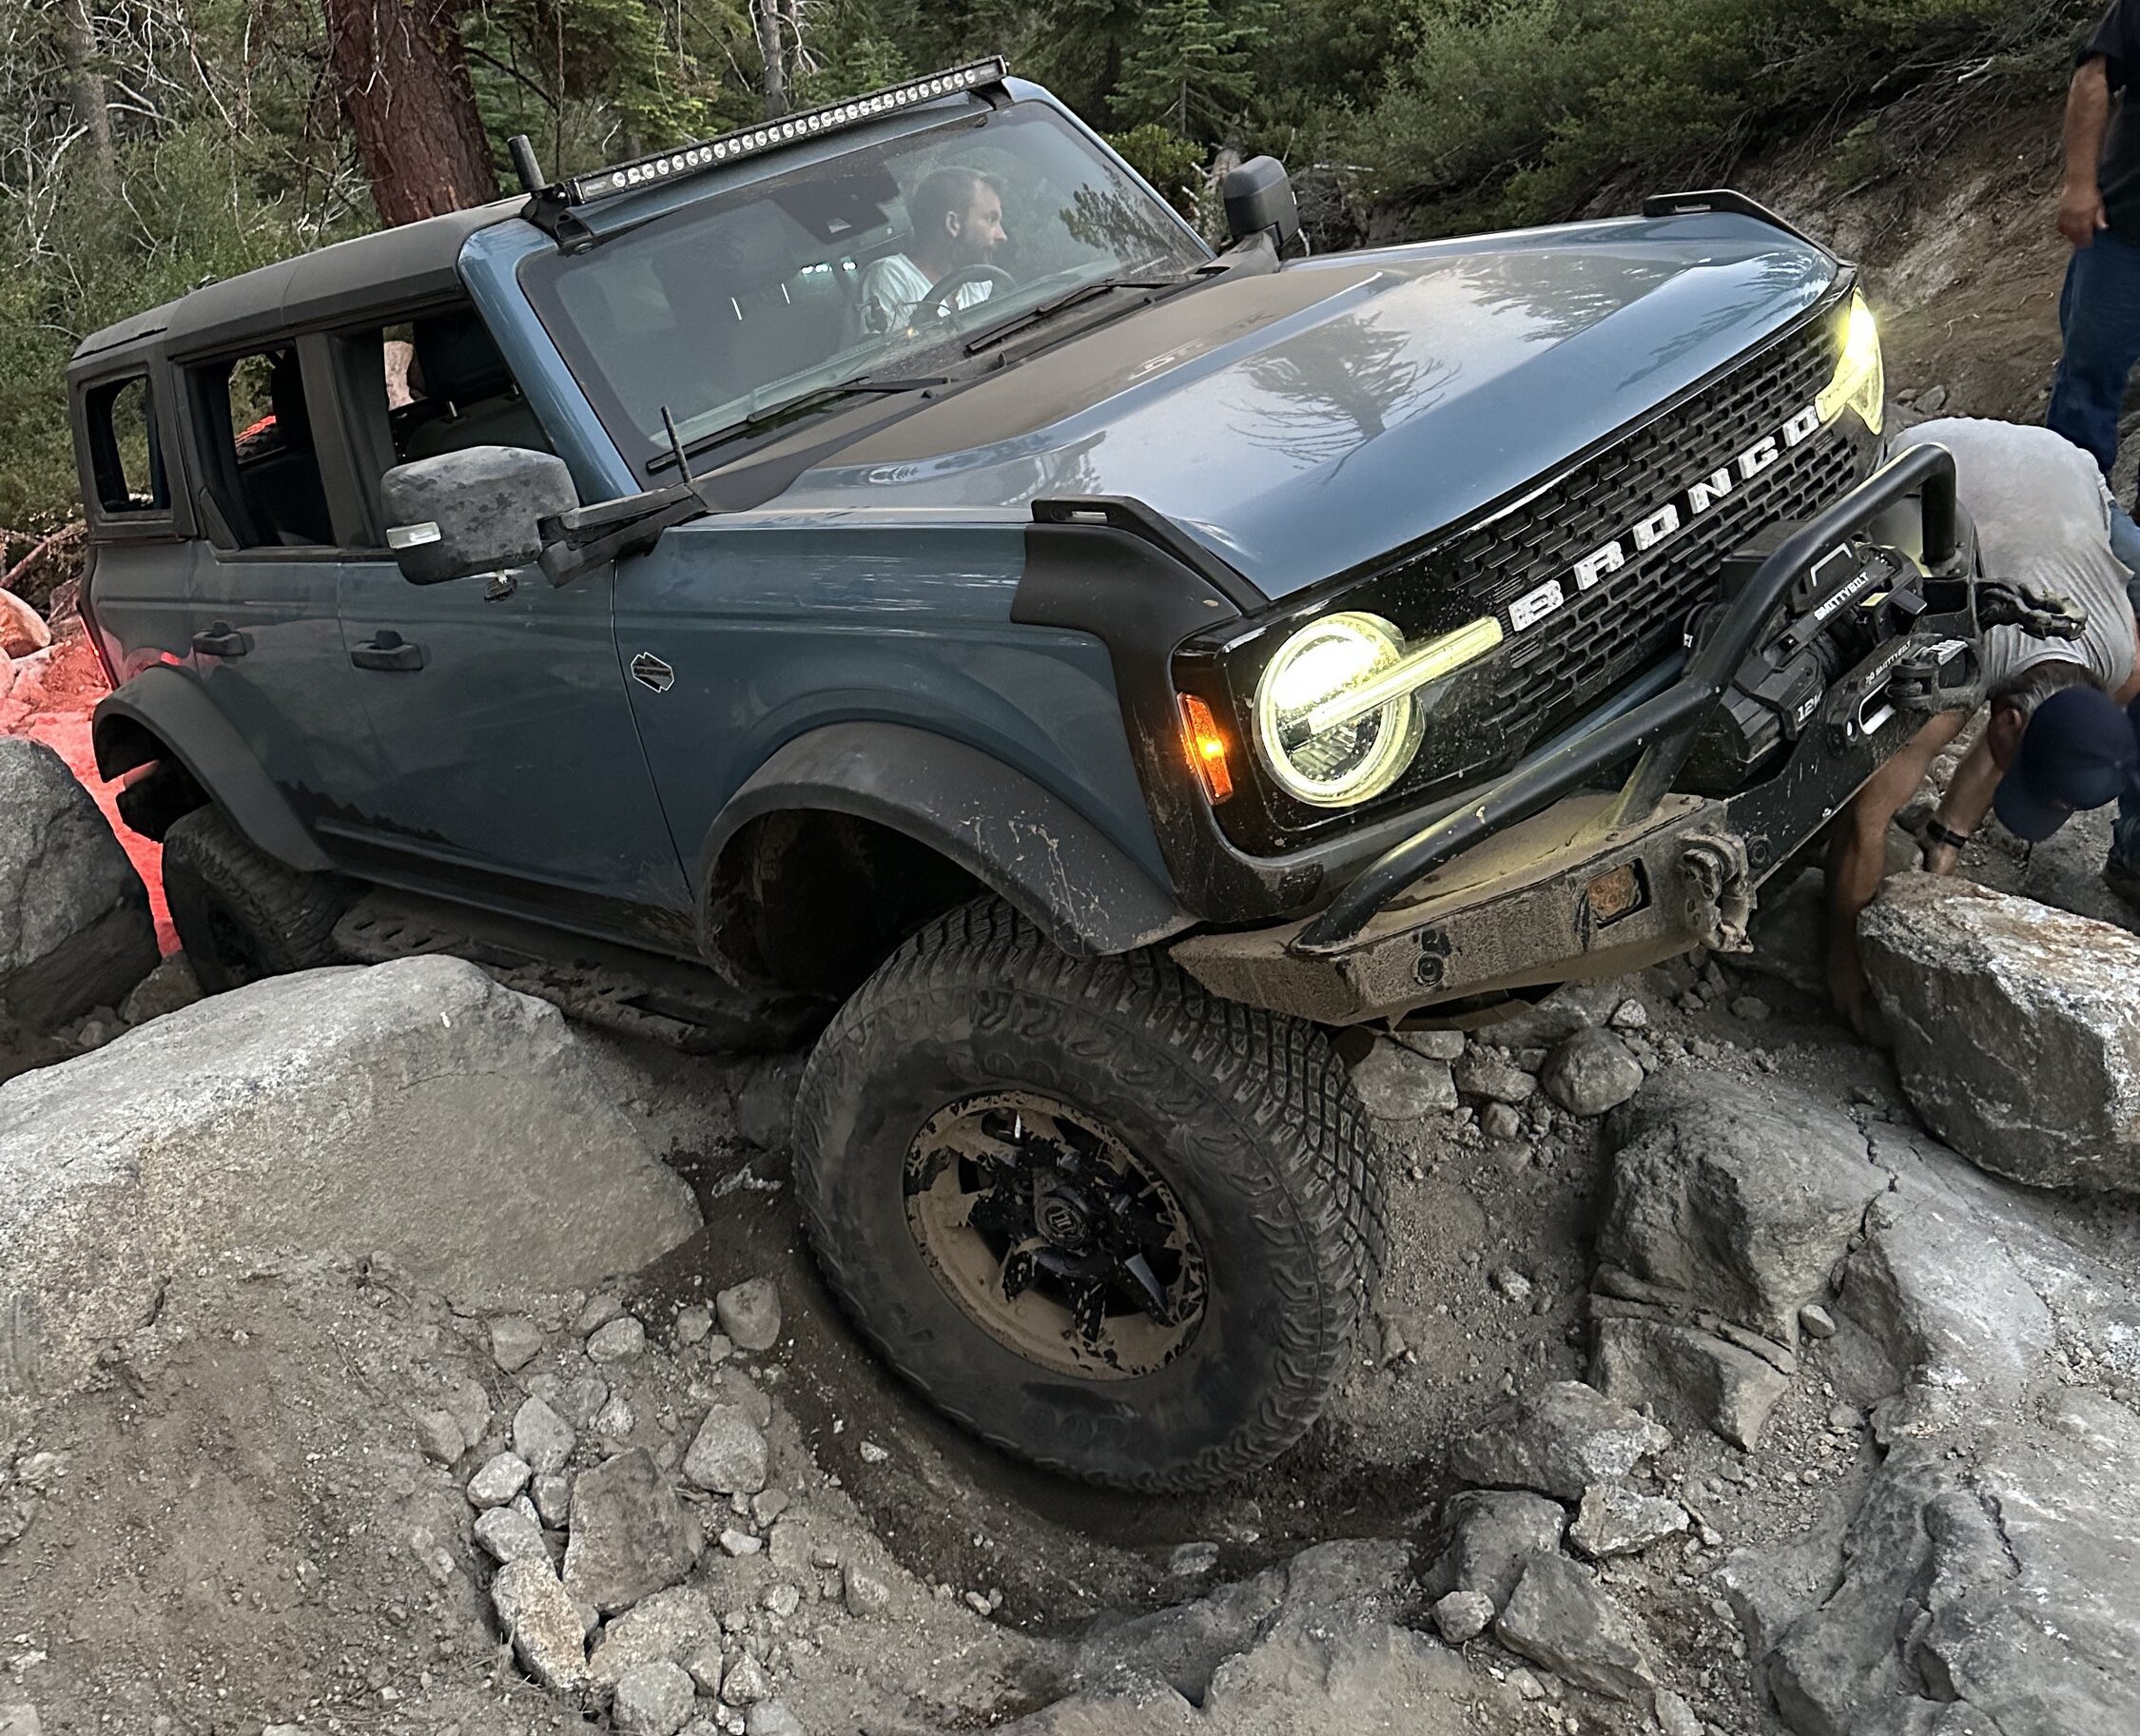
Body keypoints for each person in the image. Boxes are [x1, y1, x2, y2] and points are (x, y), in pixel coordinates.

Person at [1826, 419, 2140, 1032]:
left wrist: (1946, 843)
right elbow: (1864, 819)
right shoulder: (1953, 673)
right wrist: (1843, 956)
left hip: (2063, 467)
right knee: (1851, 597)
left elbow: (2022, 737)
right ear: (2011, 719)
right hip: (1936, 457)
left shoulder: (2121, 663)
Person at [2049, 4, 2140, 479]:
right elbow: (2094, 75)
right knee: (2087, 387)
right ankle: (2070, 527)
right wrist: (2079, 183)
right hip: (2125, 235)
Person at [859, 166, 1008, 334]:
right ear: (953, 224)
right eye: (991, 219)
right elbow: (892, 357)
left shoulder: (978, 284)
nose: (1002, 235)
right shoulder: (891, 278)